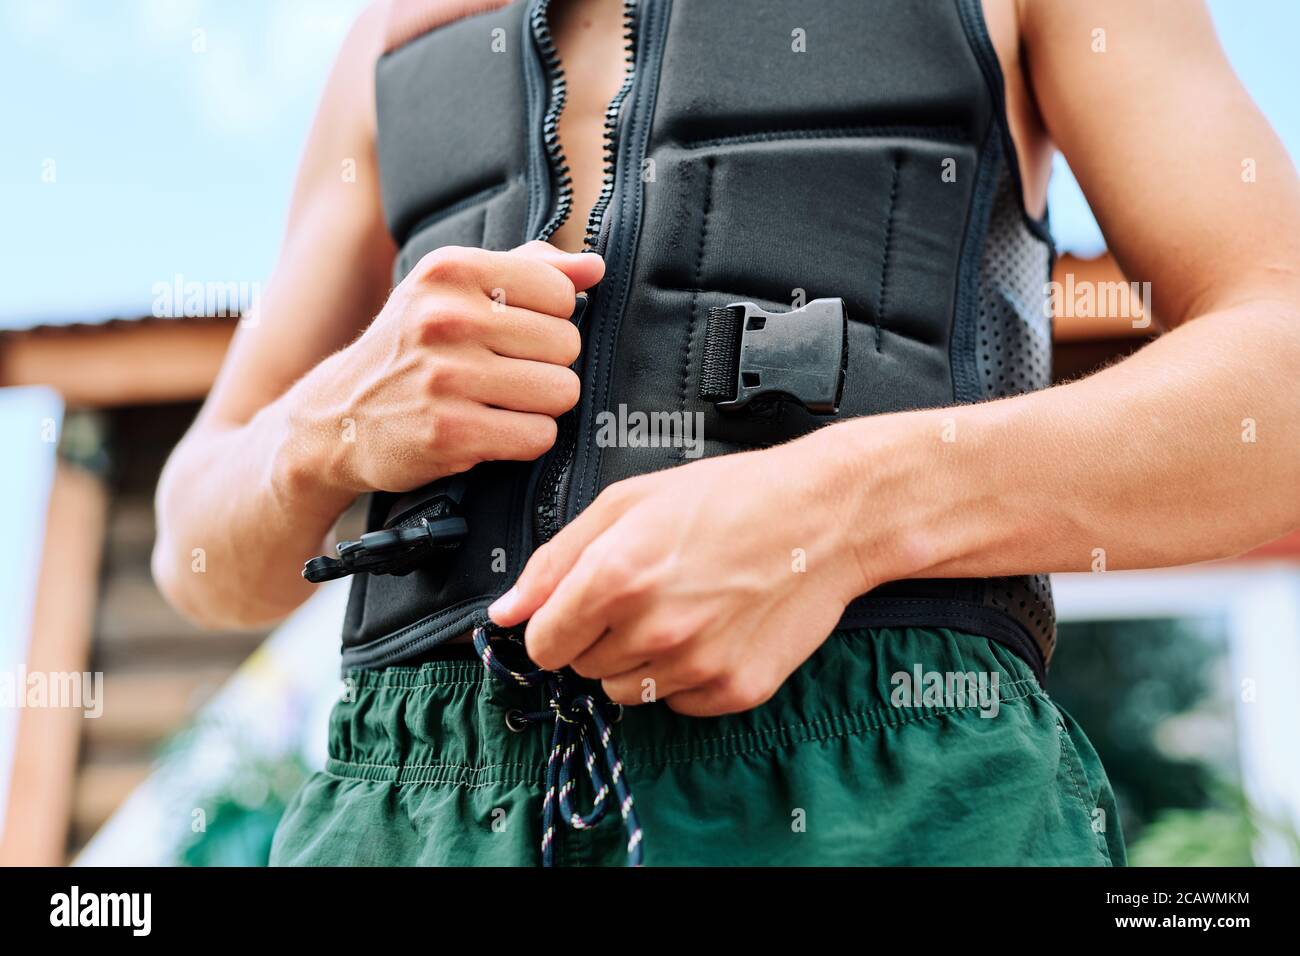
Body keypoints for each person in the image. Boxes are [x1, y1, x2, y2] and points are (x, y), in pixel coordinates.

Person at [154, 0, 1300, 866]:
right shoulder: (392, 35)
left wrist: (842, 510)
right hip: (397, 808)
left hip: (895, 783)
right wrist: (327, 420)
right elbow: (197, 549)